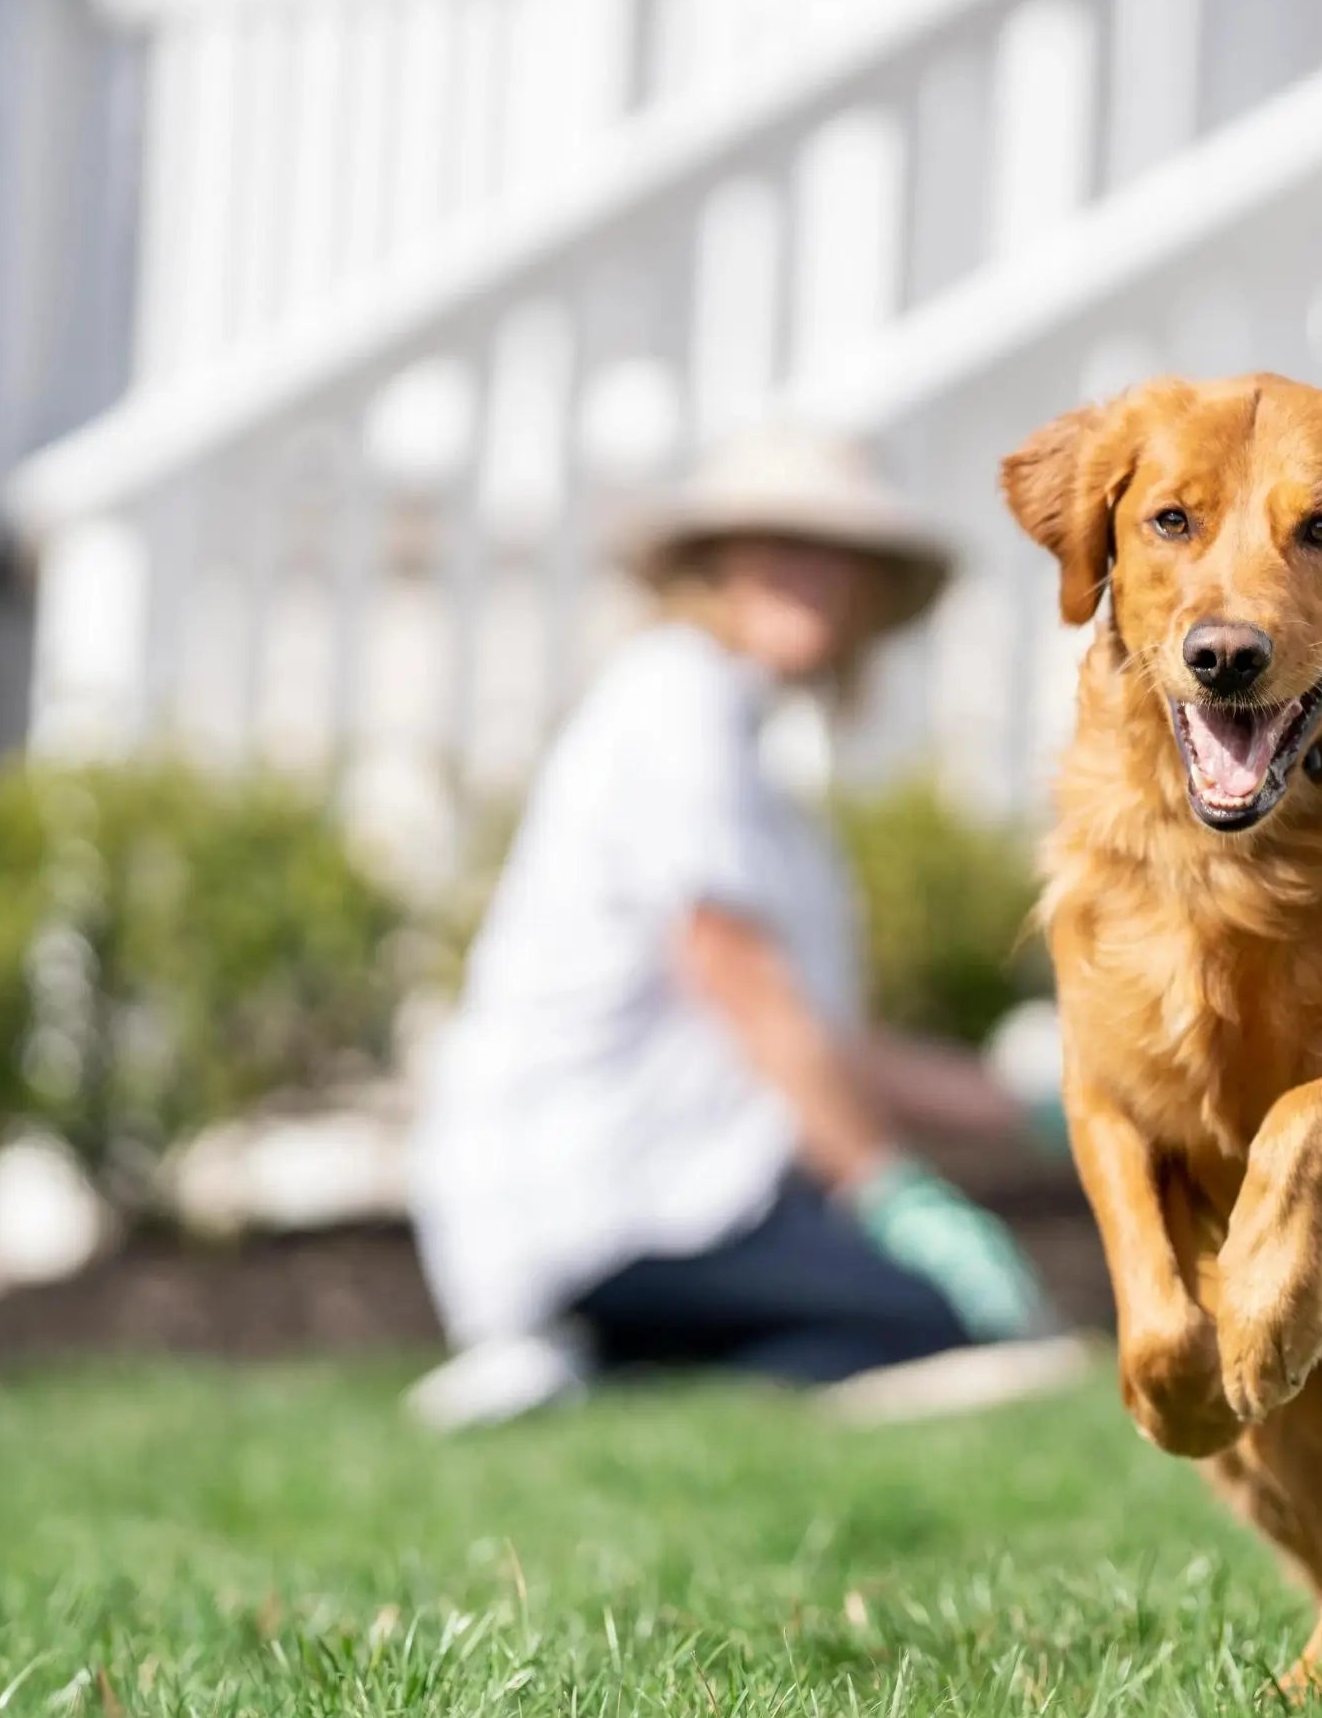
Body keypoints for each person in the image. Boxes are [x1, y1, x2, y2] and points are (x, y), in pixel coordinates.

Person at [403, 427, 1079, 1432]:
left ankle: (593, 1366)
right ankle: (576, 1354)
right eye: (781, 548)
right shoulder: (673, 699)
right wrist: (888, 1191)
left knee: (968, 1323)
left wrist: (1043, 1108)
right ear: (714, 564)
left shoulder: (754, 750)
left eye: (837, 558)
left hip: (685, 1192)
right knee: (944, 1321)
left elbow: (823, 1042)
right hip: (604, 1201)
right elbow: (739, 981)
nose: (813, 579)